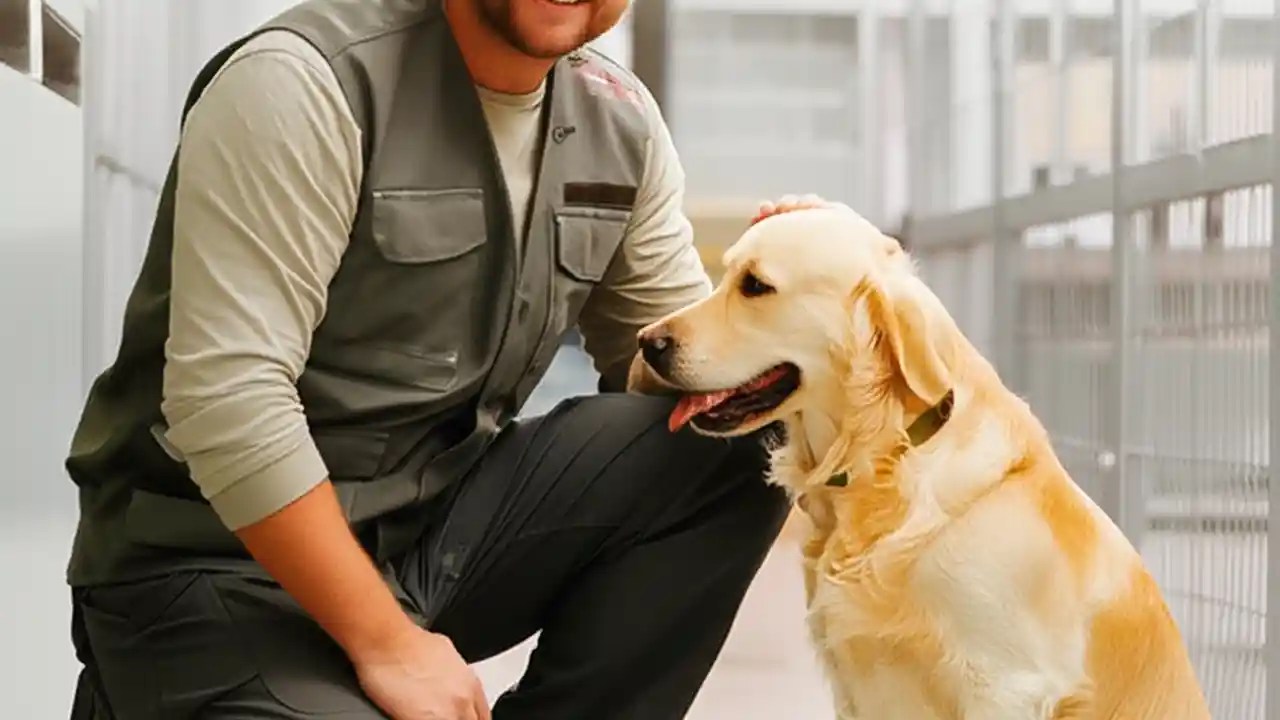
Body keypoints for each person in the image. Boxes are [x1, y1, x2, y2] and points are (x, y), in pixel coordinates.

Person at [64, 1, 794, 718]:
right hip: (217, 565)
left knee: (740, 444)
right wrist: (388, 645)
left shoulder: (620, 122)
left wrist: (809, 303)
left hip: (433, 535)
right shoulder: (305, 81)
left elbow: (679, 379)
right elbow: (228, 400)